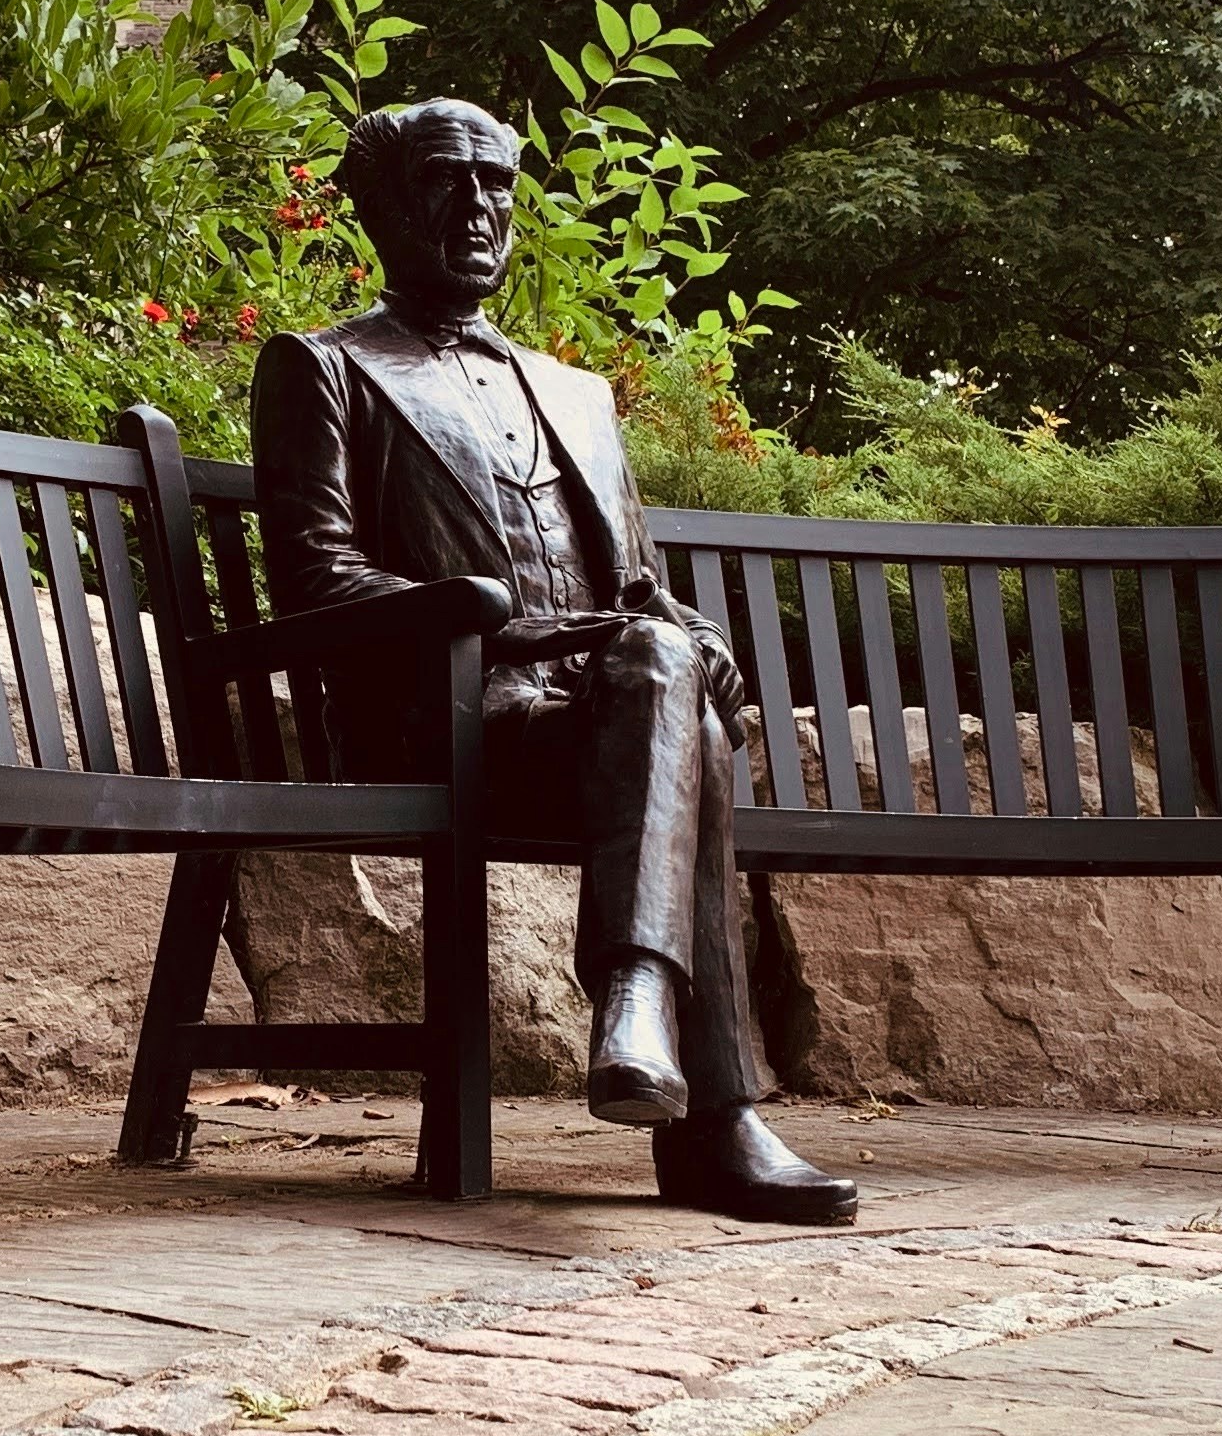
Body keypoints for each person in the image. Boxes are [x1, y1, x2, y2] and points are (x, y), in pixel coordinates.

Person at [251, 98, 857, 1225]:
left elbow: (640, 591)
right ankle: (709, 1113)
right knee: (684, 726)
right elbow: (315, 576)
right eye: (446, 180)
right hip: (443, 721)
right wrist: (495, 626)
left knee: (672, 671)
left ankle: (638, 1008)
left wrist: (696, 638)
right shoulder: (324, 368)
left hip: (598, 724)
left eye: (498, 184)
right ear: (380, 208)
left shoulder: (578, 396)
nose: (478, 207)